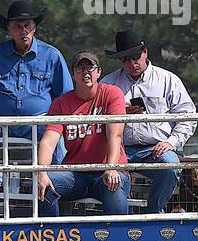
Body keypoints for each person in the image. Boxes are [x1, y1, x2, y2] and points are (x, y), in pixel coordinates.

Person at [0, 0, 72, 195]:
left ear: (34, 28)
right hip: (1, 120)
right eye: (18, 26)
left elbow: (65, 97)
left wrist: (61, 125)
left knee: (56, 134)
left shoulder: (52, 55)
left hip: (39, 120)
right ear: (8, 29)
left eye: (27, 25)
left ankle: (58, 187)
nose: (23, 30)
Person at [102, 29, 196, 214]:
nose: (131, 63)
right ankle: (121, 219)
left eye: (135, 56)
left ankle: (153, 213)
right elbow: (96, 118)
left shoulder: (169, 80)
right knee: (108, 176)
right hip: (118, 149)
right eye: (125, 59)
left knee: (170, 166)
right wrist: (120, 111)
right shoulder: (108, 83)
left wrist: (171, 142)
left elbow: (188, 116)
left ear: (145, 53)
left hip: (154, 148)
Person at [35, 51, 129, 217]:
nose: (86, 72)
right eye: (80, 68)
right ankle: (51, 238)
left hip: (107, 172)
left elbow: (115, 135)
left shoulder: (112, 94)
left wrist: (112, 168)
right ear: (73, 74)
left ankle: (119, 239)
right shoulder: (60, 103)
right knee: (45, 184)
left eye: (90, 67)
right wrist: (42, 173)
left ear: (98, 72)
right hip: (76, 174)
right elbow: (48, 142)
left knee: (113, 186)